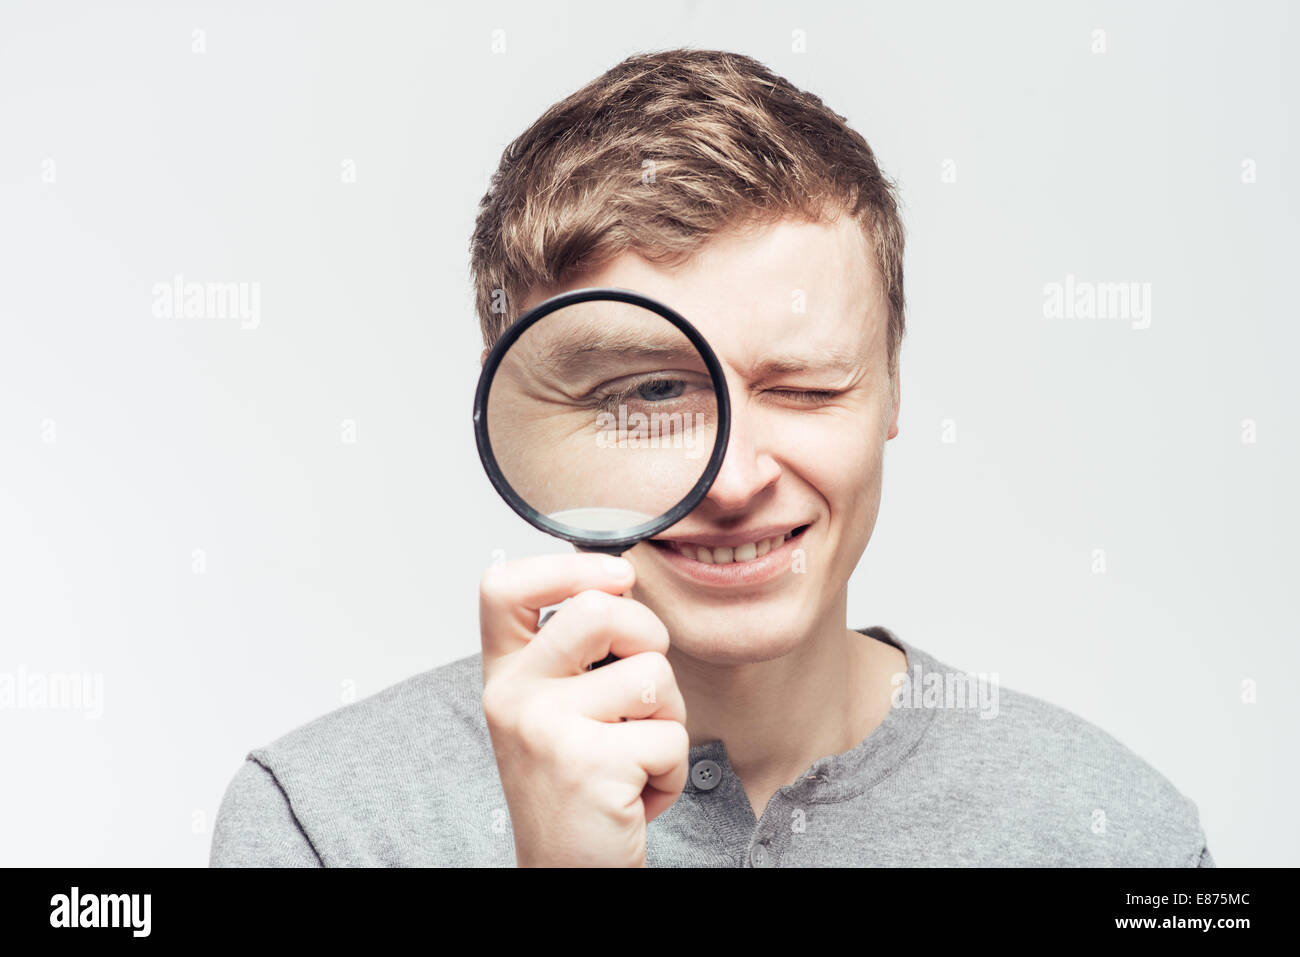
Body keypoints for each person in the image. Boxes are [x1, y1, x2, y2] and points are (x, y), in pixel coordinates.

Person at [210, 48, 1213, 867]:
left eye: (806, 387)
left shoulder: (1117, 837)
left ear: (891, 390)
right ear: (515, 409)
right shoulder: (325, 825)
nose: (733, 482)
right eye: (650, 394)